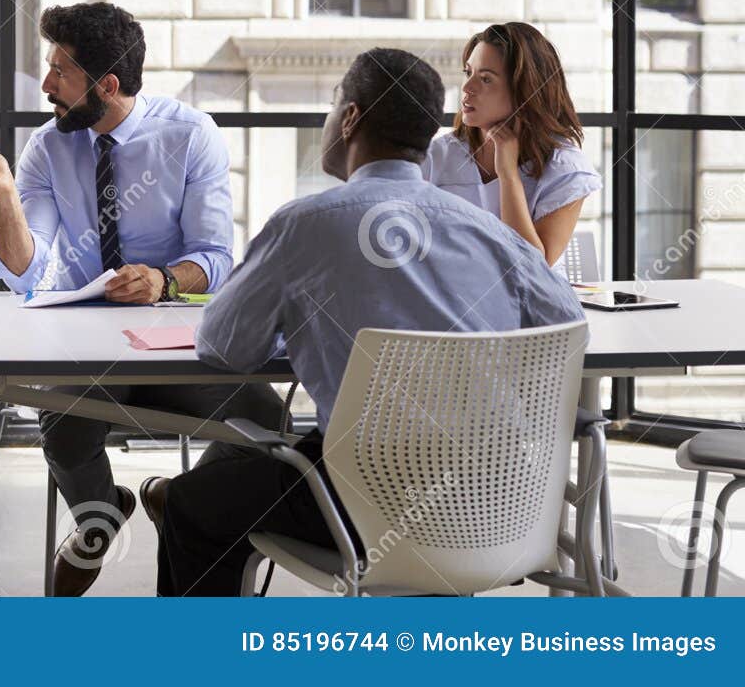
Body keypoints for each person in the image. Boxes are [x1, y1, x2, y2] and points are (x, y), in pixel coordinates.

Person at [146, 47, 585, 596]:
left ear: (350, 118)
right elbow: (565, 326)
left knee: (190, 504)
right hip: (497, 501)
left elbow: (223, 348)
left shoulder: (305, 225)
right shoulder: (489, 232)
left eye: (333, 106)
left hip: (367, 505)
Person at [0, 1, 282, 596]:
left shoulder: (190, 136)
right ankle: (100, 514)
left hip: (174, 339)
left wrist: (164, 281)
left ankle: (182, 499)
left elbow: (215, 258)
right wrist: (7, 196)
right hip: (87, 341)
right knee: (62, 428)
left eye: (59, 72)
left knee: (265, 422)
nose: (46, 86)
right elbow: (26, 273)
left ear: (106, 85)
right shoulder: (46, 147)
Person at [424, 22, 602, 269]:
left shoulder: (567, 170)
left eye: (486, 79)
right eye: (468, 73)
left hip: (530, 306)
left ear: (525, 90)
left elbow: (531, 268)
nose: (467, 88)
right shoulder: (436, 156)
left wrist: (508, 175)